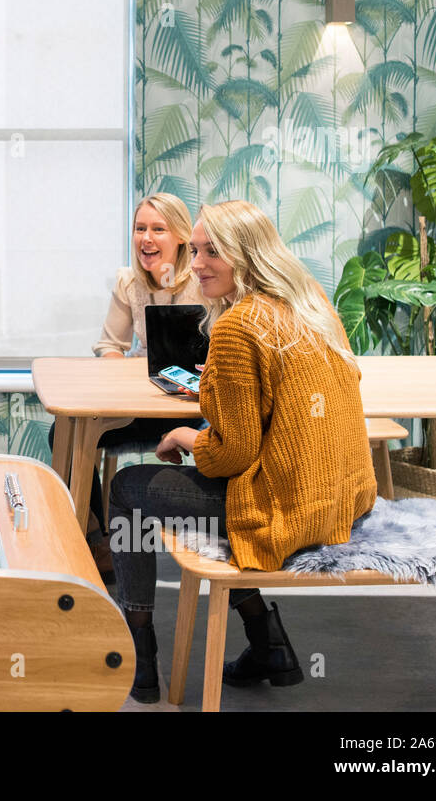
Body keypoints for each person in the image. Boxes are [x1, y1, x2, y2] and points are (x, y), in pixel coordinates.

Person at [108, 200, 377, 704]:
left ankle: (141, 654)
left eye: (214, 252)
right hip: (343, 498)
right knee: (202, 502)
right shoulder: (311, 302)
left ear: (247, 255)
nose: (199, 263)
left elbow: (232, 454)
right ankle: (266, 641)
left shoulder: (237, 325)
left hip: (285, 510)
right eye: (197, 250)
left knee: (128, 490)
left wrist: (187, 438)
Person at [50, 193, 204, 572]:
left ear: (182, 237)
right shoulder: (129, 283)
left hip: (193, 406)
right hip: (145, 400)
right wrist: (122, 374)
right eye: (139, 229)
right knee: (64, 432)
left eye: (157, 229)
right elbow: (110, 344)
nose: (145, 238)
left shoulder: (203, 282)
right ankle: (96, 541)